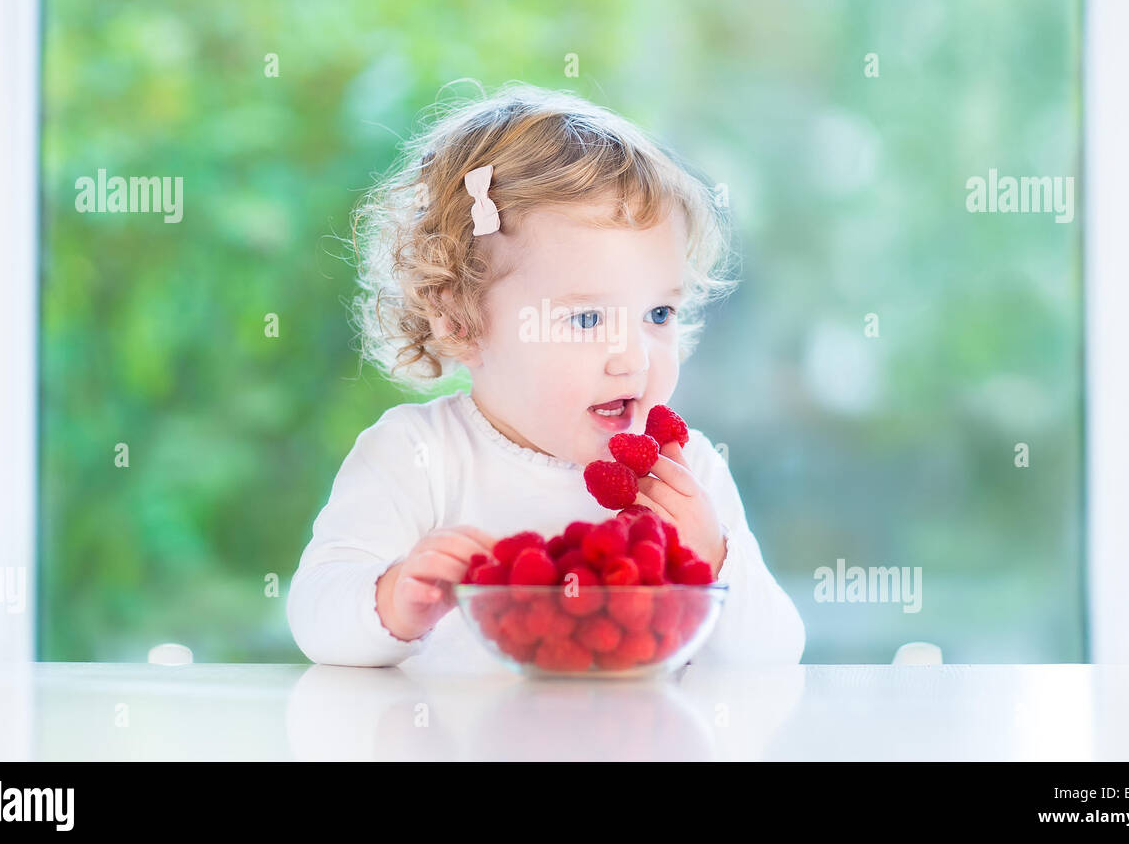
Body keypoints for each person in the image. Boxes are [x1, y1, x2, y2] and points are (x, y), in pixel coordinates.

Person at [287, 82, 805, 669]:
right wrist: (393, 598)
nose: (633, 357)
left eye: (658, 313)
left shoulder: (687, 477)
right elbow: (315, 615)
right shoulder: (416, 456)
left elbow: (774, 656)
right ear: (460, 319)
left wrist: (713, 561)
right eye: (586, 318)